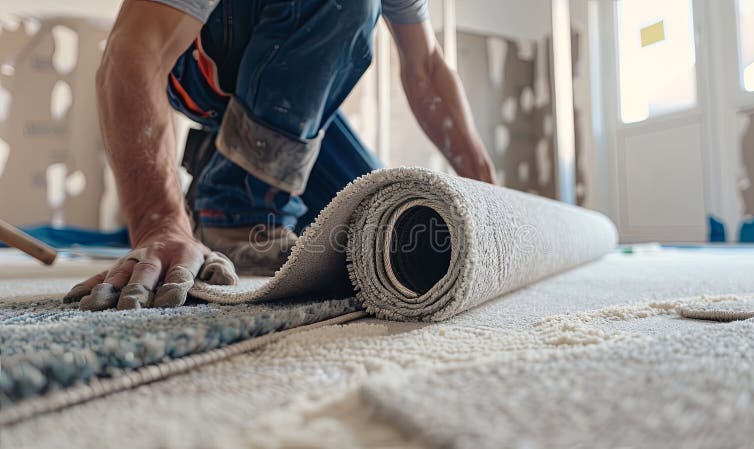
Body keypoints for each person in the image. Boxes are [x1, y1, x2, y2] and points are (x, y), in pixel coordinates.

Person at [63, 0, 497, 310]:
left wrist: (484, 188)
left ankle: (220, 174)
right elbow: (132, 53)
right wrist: (159, 223)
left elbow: (426, 67)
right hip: (201, 59)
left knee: (379, 223)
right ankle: (233, 211)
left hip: (279, 60)